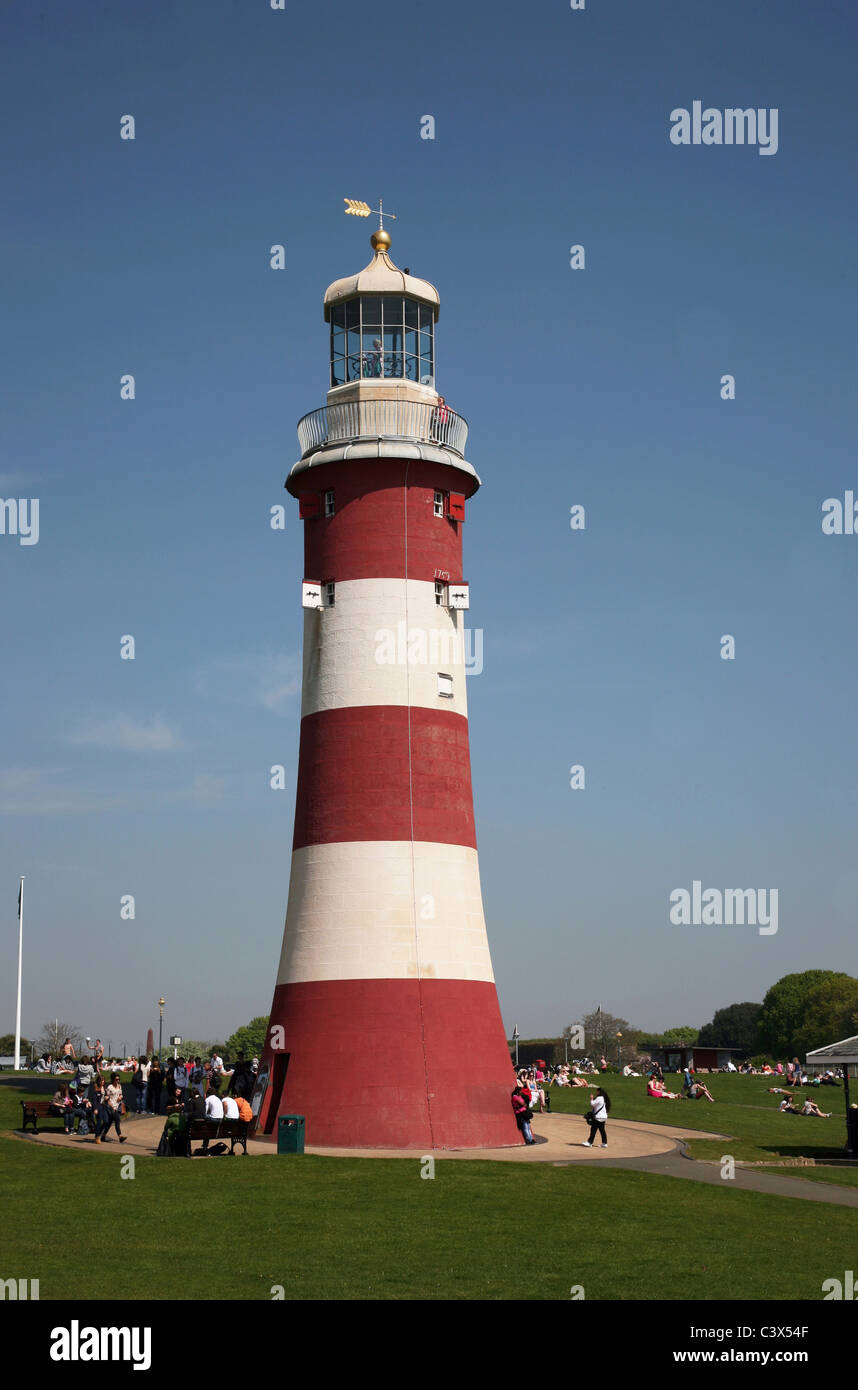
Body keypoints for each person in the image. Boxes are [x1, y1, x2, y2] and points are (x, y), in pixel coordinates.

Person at [103, 1072, 127, 1143]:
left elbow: (120, 1094)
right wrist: (111, 1106)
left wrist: (120, 1097)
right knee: (117, 1119)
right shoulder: (109, 1087)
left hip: (117, 1106)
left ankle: (103, 1135)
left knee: (109, 1123)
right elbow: (106, 1098)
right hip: (111, 1107)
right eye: (116, 1079)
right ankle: (120, 1136)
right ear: (113, 1079)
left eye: (119, 1079)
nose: (118, 1081)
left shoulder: (119, 1086)